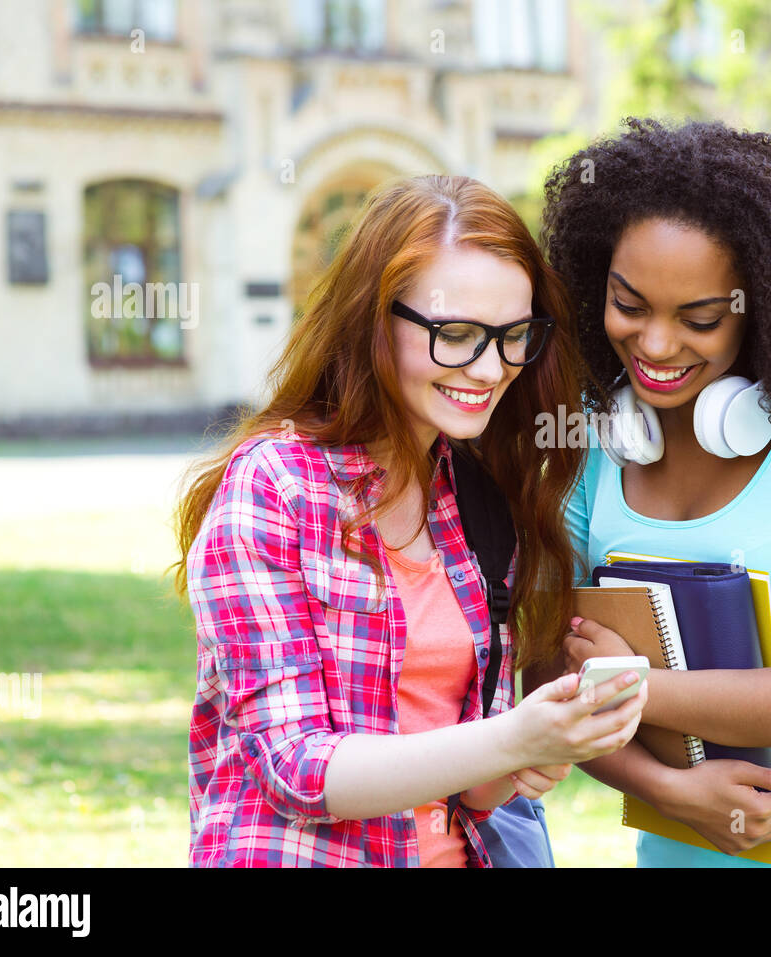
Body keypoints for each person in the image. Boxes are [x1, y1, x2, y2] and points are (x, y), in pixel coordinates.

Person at [172, 174, 646, 867]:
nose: (490, 368)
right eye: (456, 334)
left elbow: (470, 784)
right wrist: (513, 739)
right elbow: (296, 767)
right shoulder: (273, 486)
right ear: (374, 318)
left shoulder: (478, 502)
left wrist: (538, 749)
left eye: (514, 336)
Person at [532, 117, 771, 867]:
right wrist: (667, 790)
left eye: (700, 319)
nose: (655, 344)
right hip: (674, 845)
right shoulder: (589, 440)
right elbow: (545, 669)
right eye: (629, 304)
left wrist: (635, 688)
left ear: (762, 308)